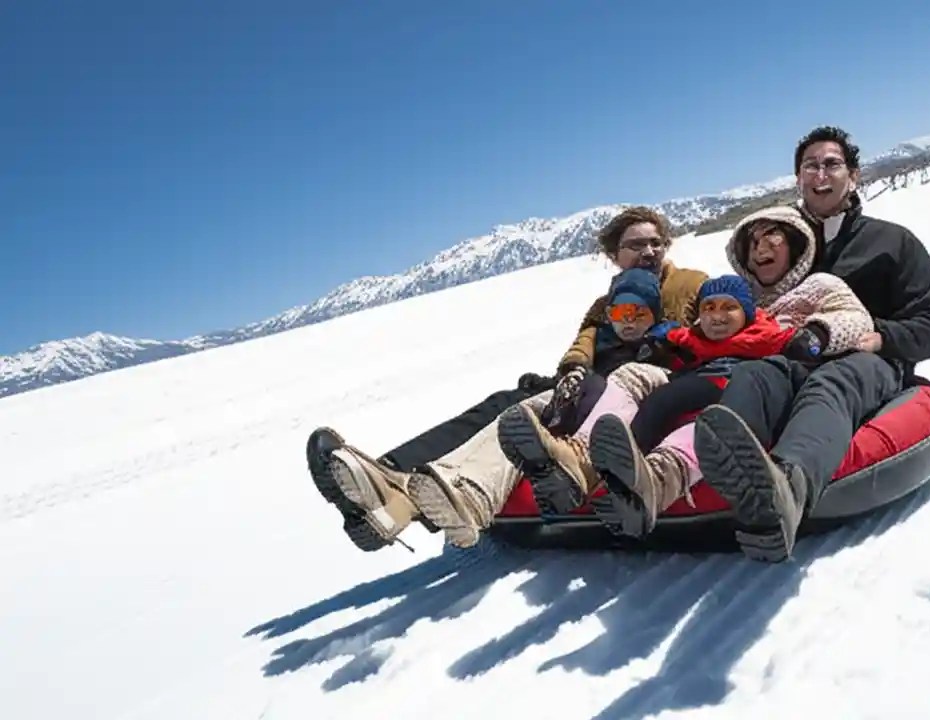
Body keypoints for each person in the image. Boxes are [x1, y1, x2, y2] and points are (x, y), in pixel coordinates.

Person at [304, 206, 707, 552]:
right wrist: (570, 370)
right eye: (636, 245)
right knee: (506, 402)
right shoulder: (606, 303)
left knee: (533, 413)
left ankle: (411, 498)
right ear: (614, 256)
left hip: (640, 383)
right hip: (593, 380)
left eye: (656, 242)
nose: (649, 251)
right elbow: (584, 341)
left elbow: (721, 323)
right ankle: (390, 478)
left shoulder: (689, 283)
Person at [692, 125, 930, 563]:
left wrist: (884, 338)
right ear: (798, 179)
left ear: (854, 175)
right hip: (793, 355)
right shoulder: (783, 241)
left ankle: (787, 492)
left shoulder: (891, 242)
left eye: (831, 164)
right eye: (810, 166)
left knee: (832, 381)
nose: (820, 174)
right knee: (755, 375)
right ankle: (723, 478)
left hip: (866, 359)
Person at [587, 206, 875, 539]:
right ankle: (623, 467)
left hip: (774, 375)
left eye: (772, 239)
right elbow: (698, 334)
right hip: (716, 374)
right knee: (660, 393)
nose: (761, 249)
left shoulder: (819, 284)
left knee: (737, 385)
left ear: (795, 244)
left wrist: (817, 334)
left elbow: (854, 318)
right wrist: (667, 342)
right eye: (751, 243)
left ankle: (731, 459)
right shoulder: (743, 296)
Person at [497, 273, 799, 519]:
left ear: (746, 313)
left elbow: (808, 344)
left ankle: (646, 472)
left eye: (728, 307)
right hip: (689, 378)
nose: (717, 316)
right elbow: (673, 335)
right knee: (633, 373)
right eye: (709, 308)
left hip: (729, 388)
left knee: (670, 404)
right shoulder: (692, 337)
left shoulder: (767, 336)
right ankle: (580, 458)